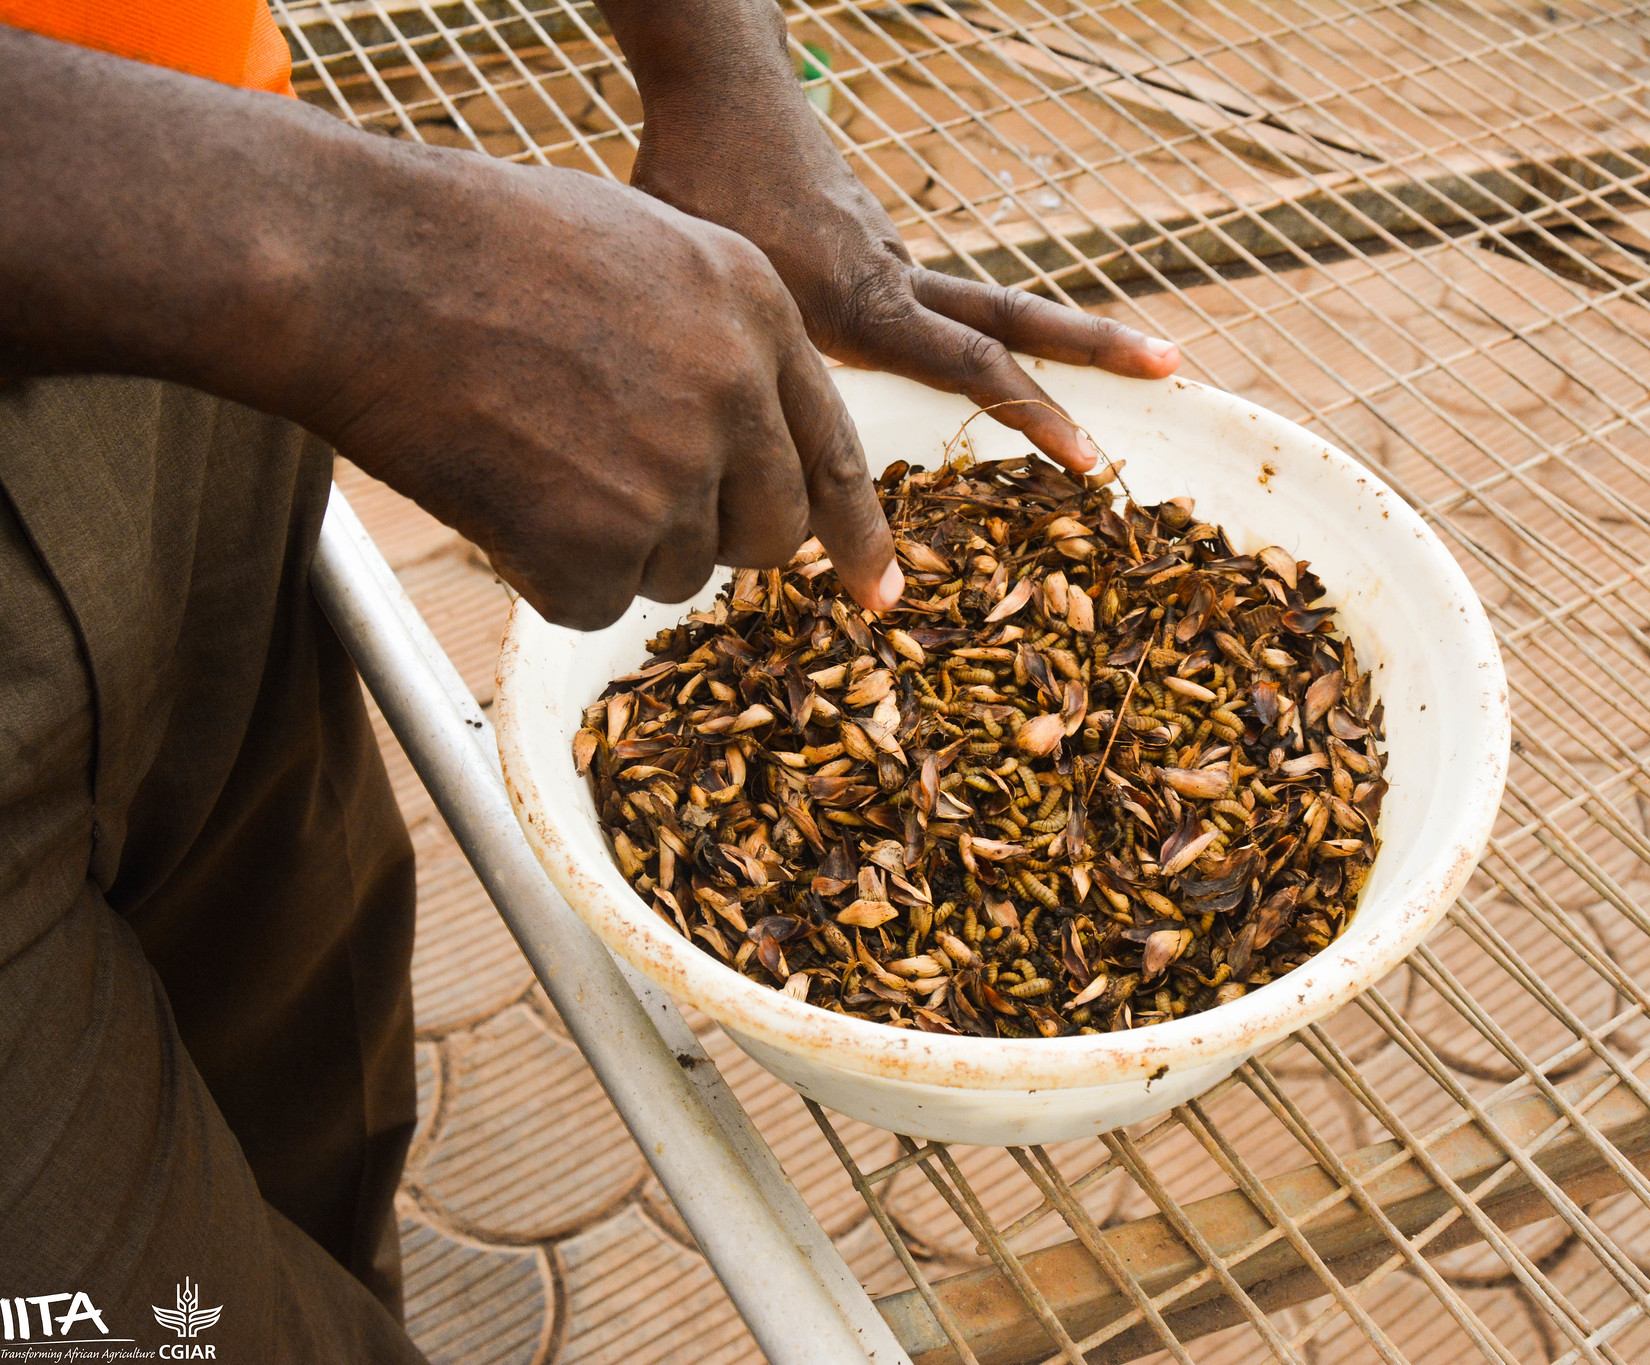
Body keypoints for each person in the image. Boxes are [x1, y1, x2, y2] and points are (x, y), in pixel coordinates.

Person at [0, 2, 1179, 1355]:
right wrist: (378, 264)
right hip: (227, 234)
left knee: (295, 1045)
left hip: (177, 244)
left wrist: (718, 72)